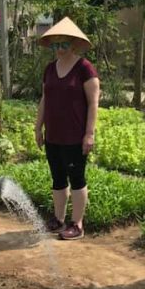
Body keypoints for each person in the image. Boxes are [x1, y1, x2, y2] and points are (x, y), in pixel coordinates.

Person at [34, 17, 100, 241]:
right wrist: (38, 127)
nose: (59, 49)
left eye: (63, 44)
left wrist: (89, 133)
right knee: (57, 178)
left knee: (77, 178)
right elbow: (45, 99)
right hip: (54, 134)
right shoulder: (50, 68)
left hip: (75, 135)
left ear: (73, 44)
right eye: (55, 45)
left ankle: (77, 223)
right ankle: (58, 218)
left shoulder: (84, 68)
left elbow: (93, 103)